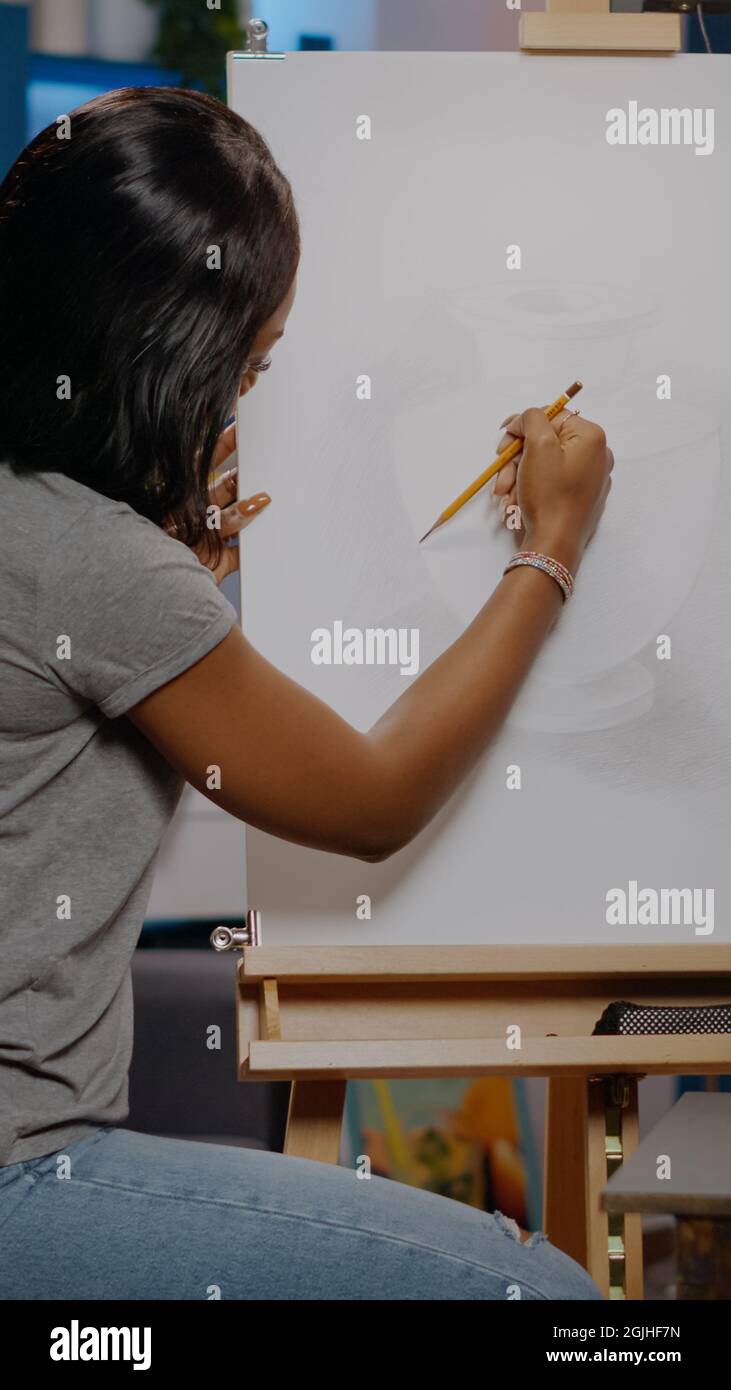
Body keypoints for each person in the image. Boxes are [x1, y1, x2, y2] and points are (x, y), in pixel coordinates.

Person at [0, 87, 612, 1300]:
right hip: (24, 1177)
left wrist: (170, 563)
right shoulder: (97, 562)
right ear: (164, 354)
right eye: (248, 365)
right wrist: (550, 548)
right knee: (543, 1302)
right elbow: (372, 798)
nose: (238, 406)